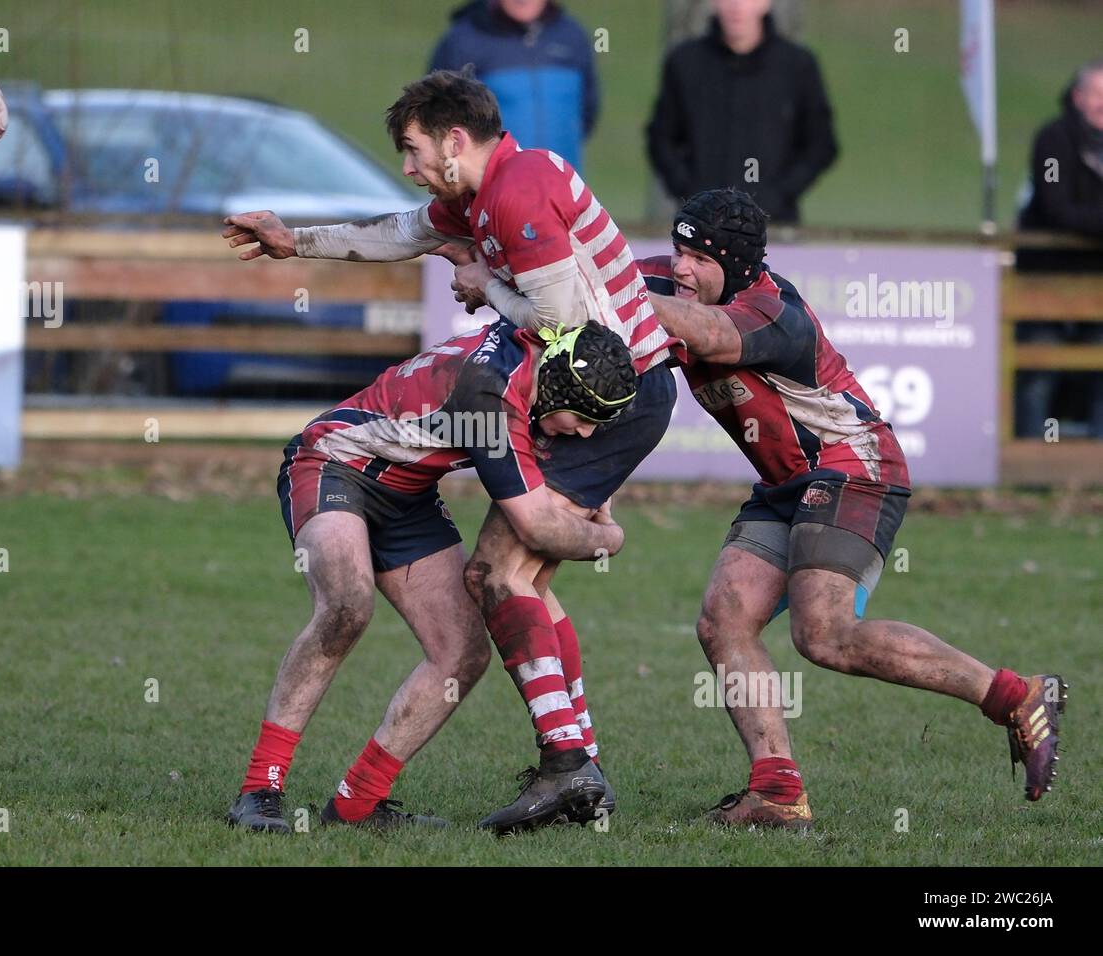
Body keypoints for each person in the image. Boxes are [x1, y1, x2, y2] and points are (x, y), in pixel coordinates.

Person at [223, 68, 680, 833]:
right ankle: (260, 793)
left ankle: (369, 803)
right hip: (337, 461)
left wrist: (480, 281)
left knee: (480, 617)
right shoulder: (492, 224)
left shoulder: (518, 193)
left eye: (411, 149)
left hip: (586, 392)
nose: (407, 165)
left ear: (454, 141)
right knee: (365, 601)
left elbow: (563, 322)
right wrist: (294, 241)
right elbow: (404, 232)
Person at [640, 187, 1066, 829]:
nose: (680, 268)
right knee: (722, 617)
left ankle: (1016, 695)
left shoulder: (771, 312)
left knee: (825, 635)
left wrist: (619, 298)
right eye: (677, 250)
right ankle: (778, 791)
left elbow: (707, 334)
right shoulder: (676, 285)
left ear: (734, 264)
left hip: (854, 469)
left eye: (698, 257)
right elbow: (591, 262)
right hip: (786, 485)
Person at [226, 319, 637, 832]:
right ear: (556, 386)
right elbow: (538, 526)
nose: (584, 434)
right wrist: (612, 539)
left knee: (462, 651)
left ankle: (357, 806)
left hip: (409, 495)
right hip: (335, 461)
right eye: (580, 418)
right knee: (347, 607)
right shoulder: (491, 394)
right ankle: (258, 792)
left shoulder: (539, 356)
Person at [645, 0, 836, 224]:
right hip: (702, 225)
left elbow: (821, 144)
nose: (736, 6)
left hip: (773, 225)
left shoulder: (797, 65)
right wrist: (689, 191)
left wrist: (778, 194)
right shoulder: (684, 62)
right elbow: (661, 137)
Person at [1015, 59, 1103, 439]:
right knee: (1039, 374)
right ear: (1078, 96)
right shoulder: (1053, 139)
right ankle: (1031, 468)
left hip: (1097, 285)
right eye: (1098, 94)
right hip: (1045, 282)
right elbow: (1056, 208)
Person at [430, 0, 598, 171]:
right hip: (493, 189)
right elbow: (439, 119)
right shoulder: (463, 40)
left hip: (562, 188)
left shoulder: (573, 36)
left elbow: (587, 111)